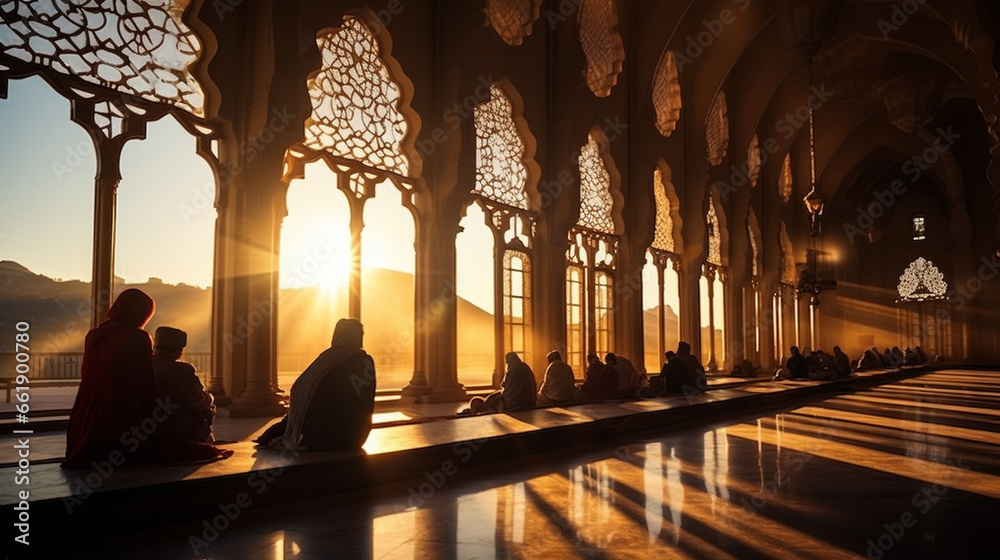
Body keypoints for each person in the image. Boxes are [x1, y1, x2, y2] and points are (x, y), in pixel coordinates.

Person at [63, 289, 232, 468]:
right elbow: (144, 386)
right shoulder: (137, 337)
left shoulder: (94, 336)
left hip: (84, 424)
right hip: (120, 422)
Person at [256, 318, 376, 451]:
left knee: (279, 430)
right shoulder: (363, 361)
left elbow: (299, 387)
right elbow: (365, 403)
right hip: (349, 437)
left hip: (313, 432)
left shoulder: (327, 357)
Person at [152, 326, 216, 443]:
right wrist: (209, 397)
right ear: (179, 351)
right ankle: (207, 443)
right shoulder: (182, 371)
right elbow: (199, 403)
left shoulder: (146, 365)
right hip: (180, 429)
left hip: (150, 428)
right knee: (208, 409)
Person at [467, 352, 536, 413]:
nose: (507, 364)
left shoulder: (513, 369)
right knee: (495, 396)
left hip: (516, 402)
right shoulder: (525, 367)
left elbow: (504, 385)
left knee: (493, 400)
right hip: (530, 400)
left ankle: (481, 409)